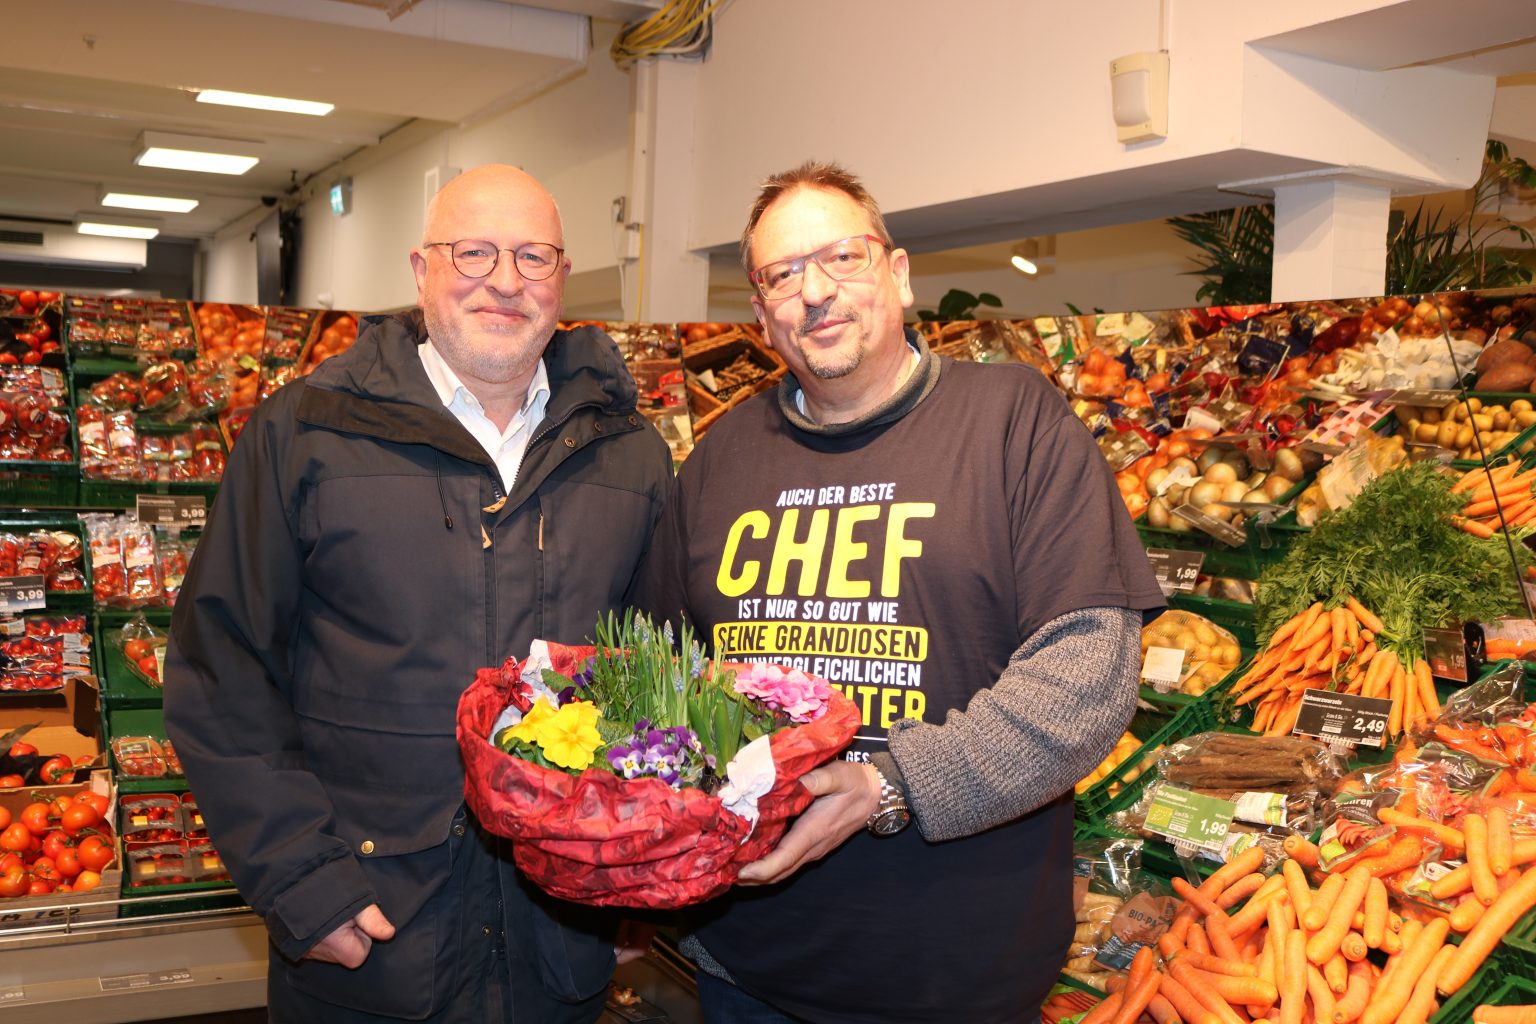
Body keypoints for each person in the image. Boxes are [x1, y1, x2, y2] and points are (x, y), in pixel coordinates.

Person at [632, 161, 1166, 1023]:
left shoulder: (1014, 423)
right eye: (782, 275)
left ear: (899, 273)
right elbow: (657, 683)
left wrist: (889, 785)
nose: (815, 292)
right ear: (761, 315)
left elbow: (1086, 683)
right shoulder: (720, 459)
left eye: (843, 257)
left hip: (956, 971)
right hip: (747, 967)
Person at [164, 164, 673, 1023]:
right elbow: (222, 671)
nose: (505, 281)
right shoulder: (306, 431)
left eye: (533, 256)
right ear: (420, 269)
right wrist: (303, 882)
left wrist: (631, 881)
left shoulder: (631, 454)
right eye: (473, 252)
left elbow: (655, 686)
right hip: (370, 946)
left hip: (558, 952)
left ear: (563, 277)